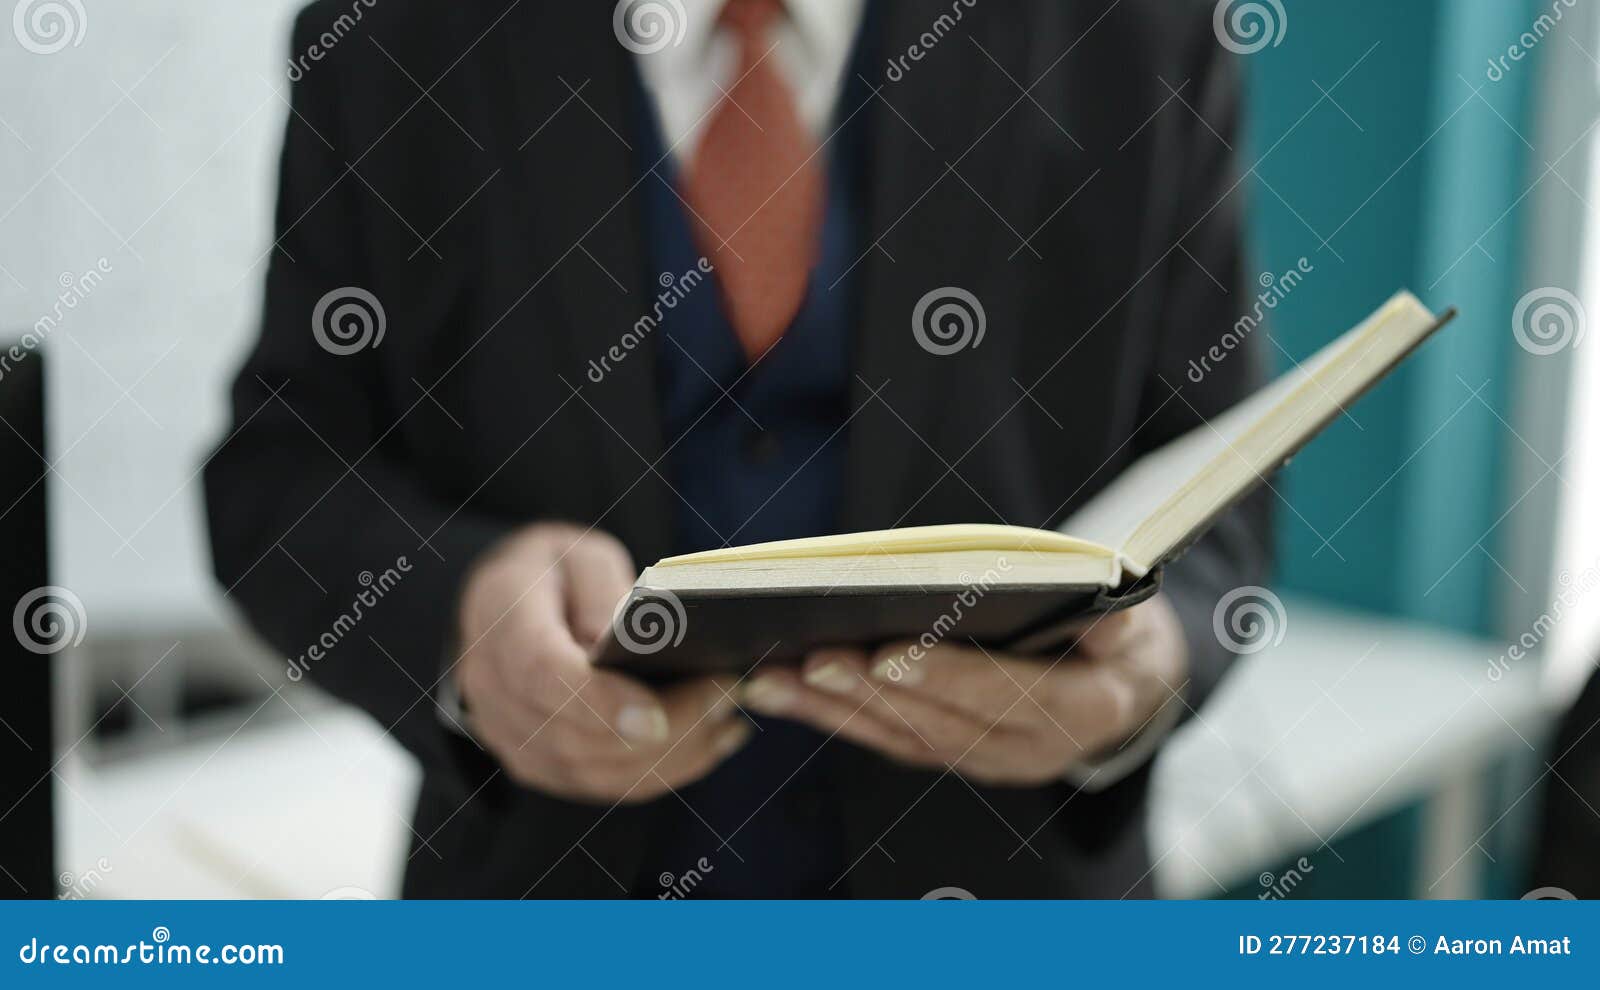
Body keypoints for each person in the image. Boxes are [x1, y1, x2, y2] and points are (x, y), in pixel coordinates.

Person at [205, 0, 1270, 898]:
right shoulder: (390, 37)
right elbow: (279, 475)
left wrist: (1144, 672)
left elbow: (1223, 480)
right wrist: (460, 618)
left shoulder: (1145, 26)